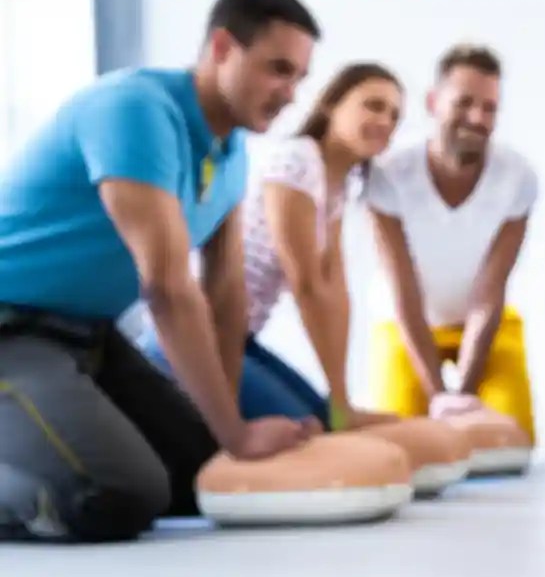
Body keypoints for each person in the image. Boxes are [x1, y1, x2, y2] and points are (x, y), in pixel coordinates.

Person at [0, 0, 319, 543]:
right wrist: (238, 436)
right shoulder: (136, 110)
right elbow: (168, 288)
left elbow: (224, 293)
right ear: (222, 47)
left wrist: (227, 437)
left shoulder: (230, 151)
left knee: (200, 475)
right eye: (278, 70)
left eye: (299, 78)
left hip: (88, 338)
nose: (290, 93)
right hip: (11, 328)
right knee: (117, 496)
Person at [139, 63, 404, 432]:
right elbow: (307, 286)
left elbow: (335, 290)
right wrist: (340, 408)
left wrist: (342, 400)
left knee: (325, 422)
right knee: (310, 432)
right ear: (331, 105)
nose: (386, 121)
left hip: (237, 340)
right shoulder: (297, 160)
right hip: (190, 339)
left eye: (395, 115)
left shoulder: (340, 186)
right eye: (373, 105)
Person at [365, 44, 539, 441]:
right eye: (464, 103)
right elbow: (404, 294)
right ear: (433, 101)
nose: (477, 118)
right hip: (405, 325)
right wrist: (438, 396)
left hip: (485, 327)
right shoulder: (389, 175)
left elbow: (489, 292)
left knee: (510, 441)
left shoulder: (518, 177)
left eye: (489, 107)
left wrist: (462, 394)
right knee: (401, 440)